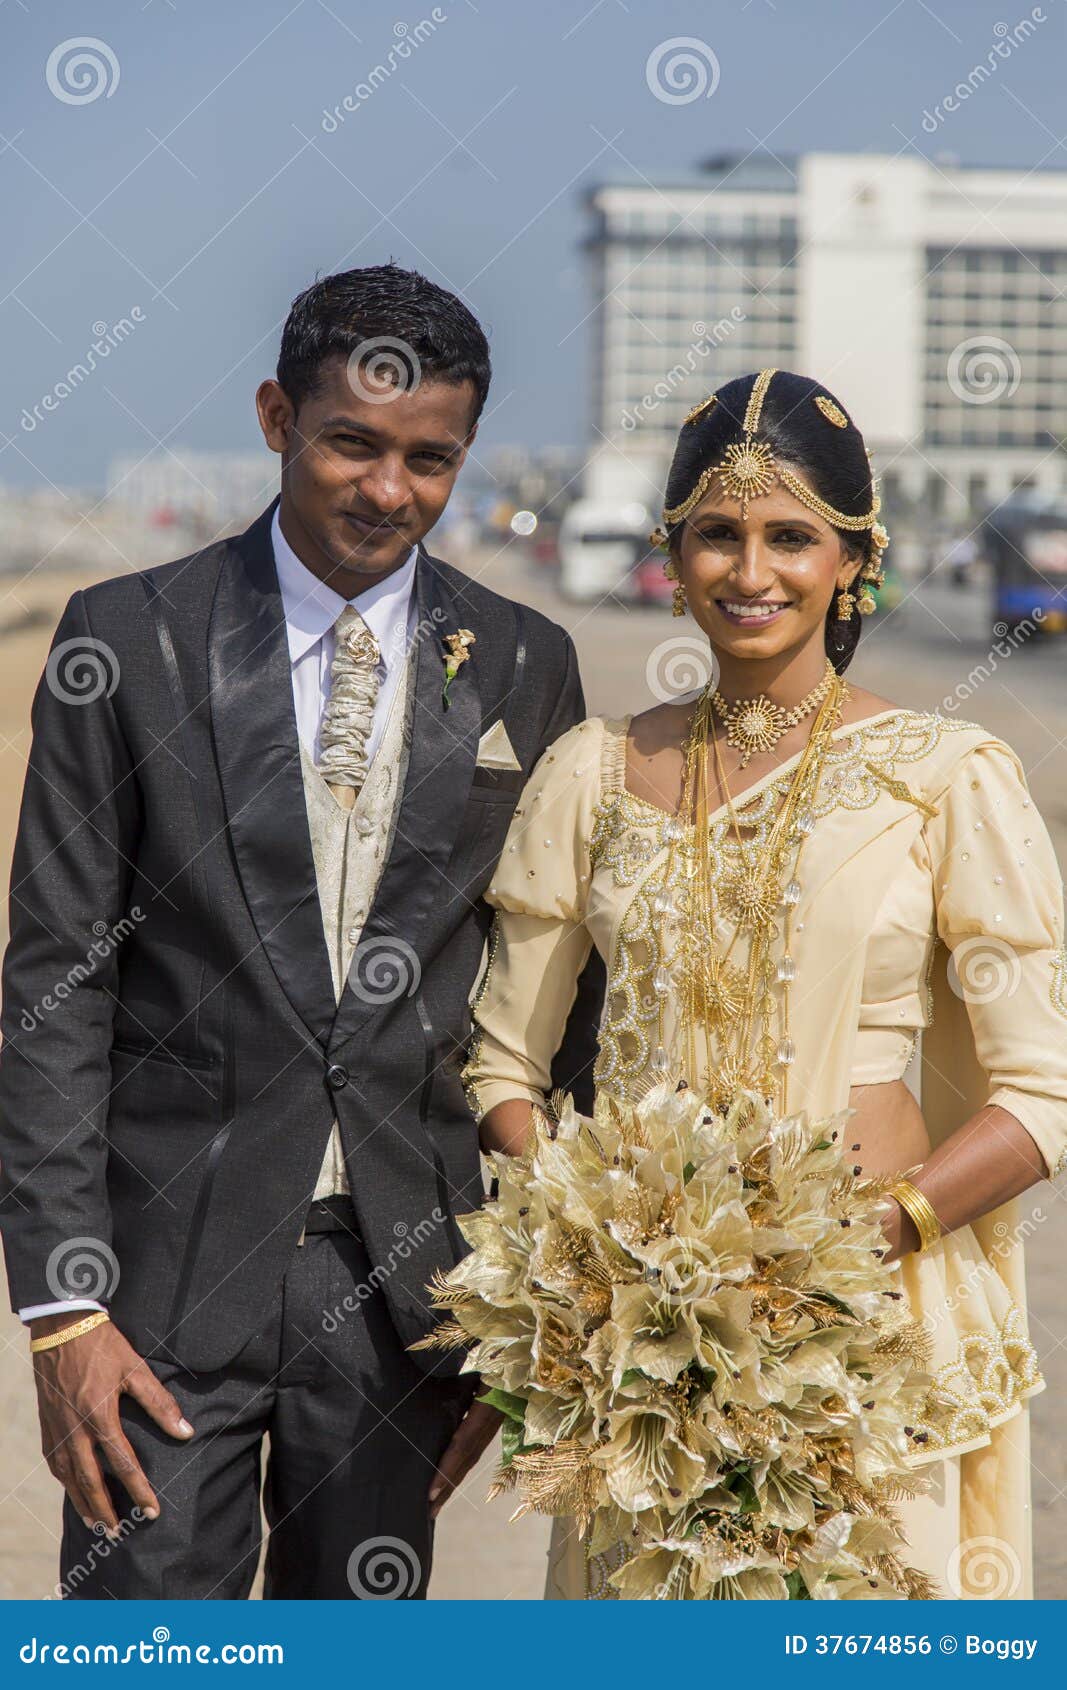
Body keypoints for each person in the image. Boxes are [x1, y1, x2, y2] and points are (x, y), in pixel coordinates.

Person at [0, 263, 602, 1599]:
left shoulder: (519, 661)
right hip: (159, 1279)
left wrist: (531, 1305)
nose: (388, 488)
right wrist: (59, 1308)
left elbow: (557, 997)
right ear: (279, 417)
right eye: (354, 443)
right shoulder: (126, 641)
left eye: (429, 458)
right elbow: (53, 987)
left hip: (406, 1291)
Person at [461, 369, 1067, 1600]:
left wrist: (863, 1236)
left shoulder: (942, 776)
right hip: (639, 1359)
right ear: (672, 556)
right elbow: (502, 1066)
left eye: (791, 536)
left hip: (868, 1337)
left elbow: (1040, 1090)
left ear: (854, 560)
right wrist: (588, 1254)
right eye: (716, 534)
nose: (751, 571)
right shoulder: (591, 773)